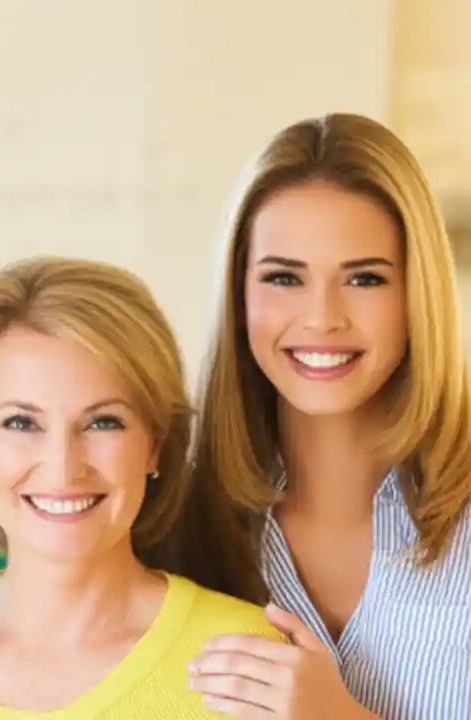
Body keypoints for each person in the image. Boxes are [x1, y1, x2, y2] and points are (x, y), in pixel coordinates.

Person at [0, 257, 284, 718]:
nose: (63, 468)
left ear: (154, 445)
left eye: (103, 422)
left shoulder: (245, 661)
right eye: (21, 422)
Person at [181, 113, 471, 719]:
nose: (321, 318)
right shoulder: (177, 519)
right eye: (283, 277)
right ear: (239, 296)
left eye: (365, 279)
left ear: (418, 295)